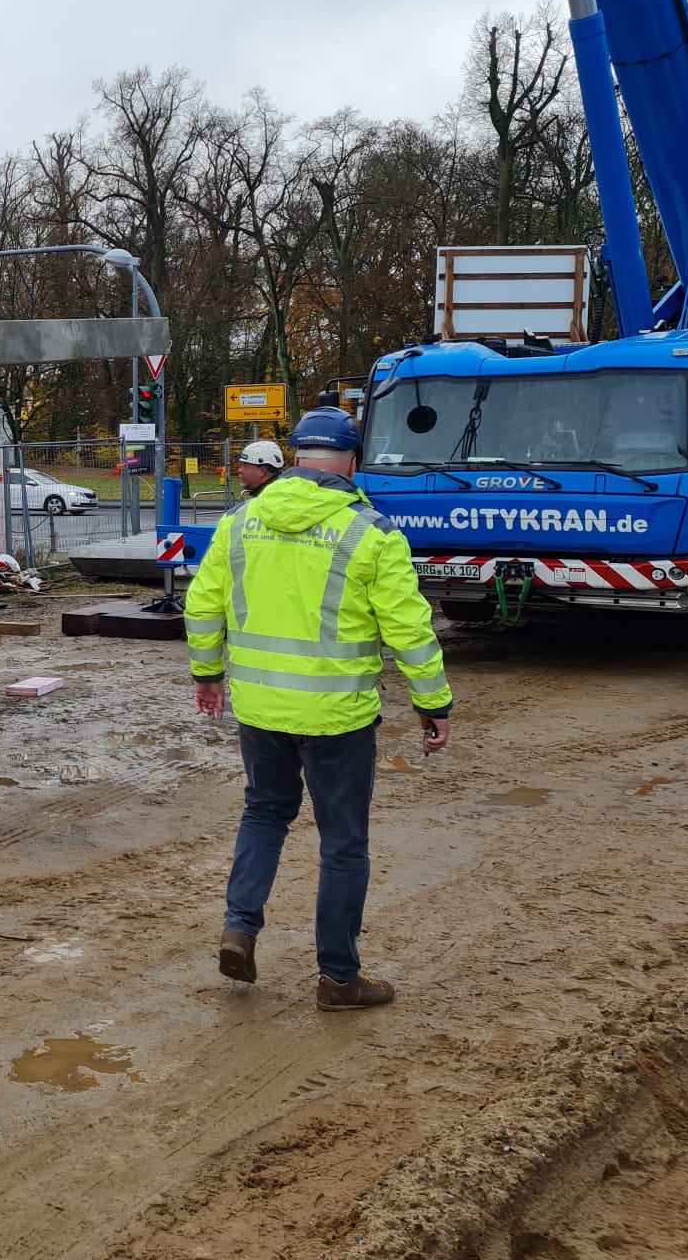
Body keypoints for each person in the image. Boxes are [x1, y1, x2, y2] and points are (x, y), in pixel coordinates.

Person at [184, 407, 452, 1011]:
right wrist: (433, 703)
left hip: (259, 707)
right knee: (343, 844)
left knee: (264, 815)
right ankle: (337, 978)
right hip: (339, 717)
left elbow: (202, 606)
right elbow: (409, 629)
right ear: (353, 462)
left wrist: (207, 675)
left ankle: (239, 928)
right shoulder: (373, 532)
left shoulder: (239, 521)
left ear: (296, 458)